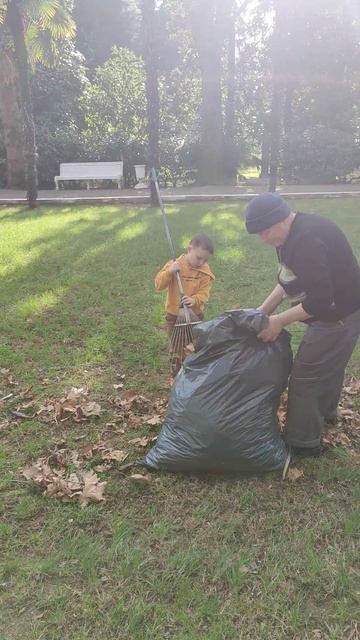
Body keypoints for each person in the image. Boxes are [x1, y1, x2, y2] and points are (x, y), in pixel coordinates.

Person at [245, 193, 360, 458]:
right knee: (329, 362)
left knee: (307, 374)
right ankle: (326, 413)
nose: (263, 239)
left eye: (265, 231)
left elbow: (321, 303)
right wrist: (262, 312)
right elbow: (287, 278)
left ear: (282, 218)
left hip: (340, 314)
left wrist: (278, 322)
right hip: (340, 305)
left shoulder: (306, 241)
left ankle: (302, 443)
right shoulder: (288, 234)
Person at [155, 233, 215, 372]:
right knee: (176, 348)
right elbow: (159, 285)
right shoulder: (174, 265)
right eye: (199, 258)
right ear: (189, 249)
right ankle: (176, 375)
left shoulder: (205, 272)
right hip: (174, 316)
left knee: (193, 347)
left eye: (205, 260)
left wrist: (193, 300)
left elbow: (204, 295)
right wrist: (170, 272)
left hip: (195, 316)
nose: (201, 263)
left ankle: (191, 373)